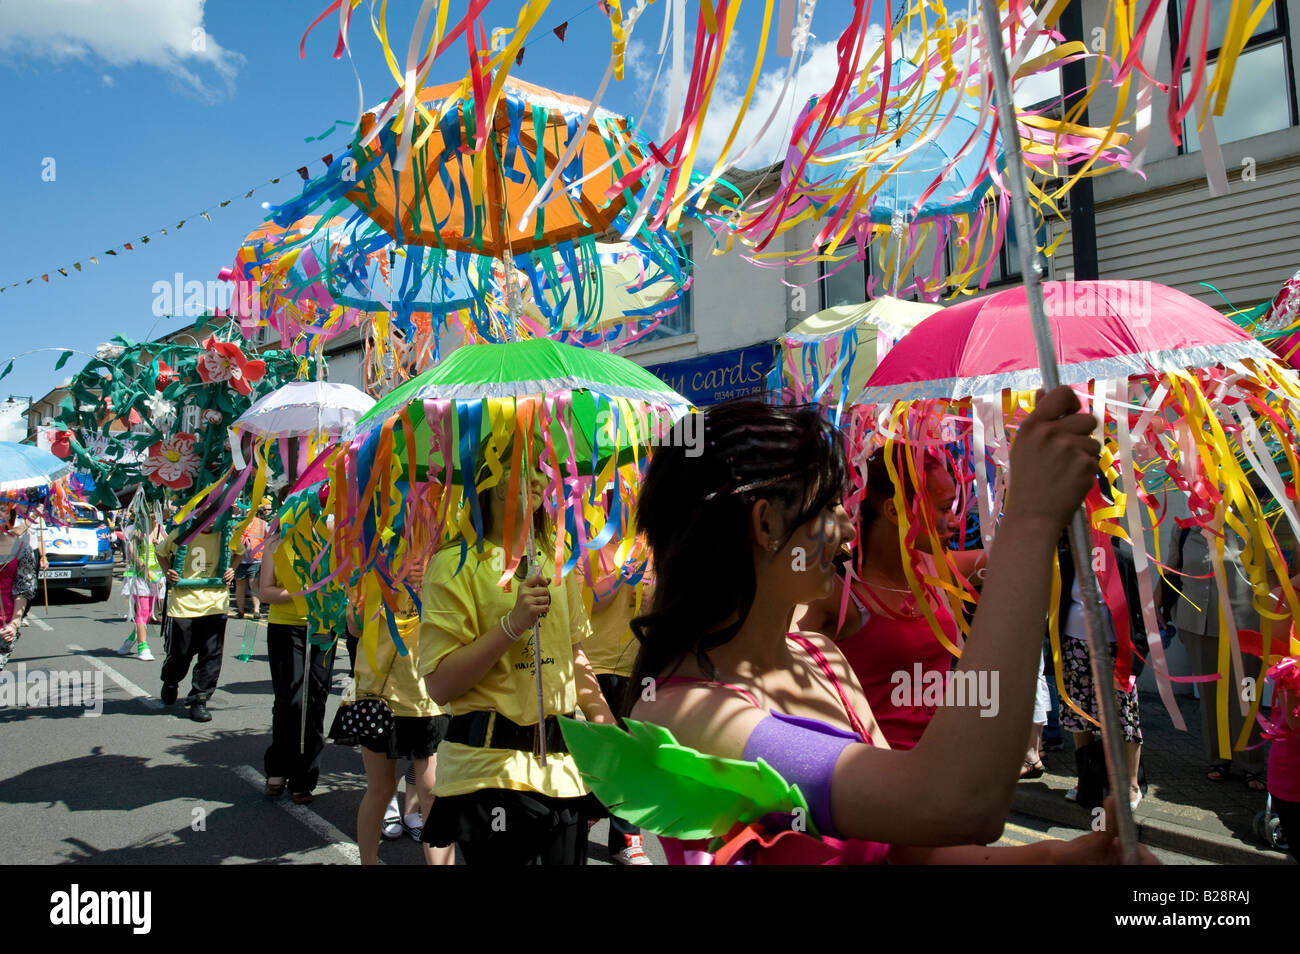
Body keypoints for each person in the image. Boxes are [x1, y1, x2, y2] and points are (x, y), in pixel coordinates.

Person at [626, 390, 1156, 864]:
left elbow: (913, 852)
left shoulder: (822, 660)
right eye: (831, 505)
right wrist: (1032, 520)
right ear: (766, 523)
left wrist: (1056, 862)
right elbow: (954, 805)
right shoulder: (687, 712)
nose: (846, 531)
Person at [419, 451, 617, 865]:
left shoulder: (555, 560)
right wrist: (513, 624)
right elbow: (440, 685)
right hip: (486, 770)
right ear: (485, 489)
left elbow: (575, 657)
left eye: (536, 473)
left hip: (562, 770)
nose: (532, 482)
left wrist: (609, 730)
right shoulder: (453, 566)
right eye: (514, 474)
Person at [796, 448, 985, 750]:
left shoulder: (934, 569)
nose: (954, 521)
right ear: (894, 510)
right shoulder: (837, 593)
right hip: (877, 774)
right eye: (944, 508)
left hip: (944, 762)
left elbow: (1011, 557)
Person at [347, 560, 453, 865]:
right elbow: (354, 626)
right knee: (380, 789)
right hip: (378, 694)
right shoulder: (367, 559)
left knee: (433, 791)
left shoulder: (445, 555)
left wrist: (431, 584)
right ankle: (368, 861)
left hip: (428, 694)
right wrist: (390, 583)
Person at [1057, 537, 1143, 809]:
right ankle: (1087, 782)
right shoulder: (1066, 558)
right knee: (1078, 717)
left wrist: (1134, 662)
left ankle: (1130, 787)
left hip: (1114, 652)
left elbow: (1138, 615)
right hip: (1075, 648)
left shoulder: (1123, 561)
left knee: (1122, 718)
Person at [582, 554, 654, 864]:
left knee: (633, 756)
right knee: (595, 754)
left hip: (637, 666)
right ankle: (588, 811)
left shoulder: (650, 546)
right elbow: (588, 604)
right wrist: (624, 574)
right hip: (591, 666)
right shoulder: (586, 538)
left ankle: (626, 837)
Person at [260, 518, 336, 805]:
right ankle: (278, 768)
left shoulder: (333, 537)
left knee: (316, 701)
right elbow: (265, 591)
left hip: (322, 629)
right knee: (290, 701)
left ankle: (304, 777)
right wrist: (301, 591)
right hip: (285, 629)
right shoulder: (276, 544)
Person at [158, 517, 235, 722]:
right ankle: (171, 680)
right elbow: (161, 553)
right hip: (184, 603)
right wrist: (168, 572)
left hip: (215, 602)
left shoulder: (226, 533)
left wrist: (231, 569)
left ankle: (199, 699)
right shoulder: (181, 533)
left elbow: (239, 553)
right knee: (180, 653)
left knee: (212, 654)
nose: (212, 520)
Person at [117, 517, 165, 661]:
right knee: (143, 611)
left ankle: (130, 640)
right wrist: (149, 574)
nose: (156, 516)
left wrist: (160, 547)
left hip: (157, 578)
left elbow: (168, 550)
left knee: (148, 614)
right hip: (140, 577)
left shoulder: (161, 530)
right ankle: (142, 646)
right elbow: (133, 555)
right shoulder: (135, 530)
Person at [0, 511, 38, 672]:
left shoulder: (21, 548)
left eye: (3, 509)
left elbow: (24, 588)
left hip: (4, 625)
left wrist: (14, 623)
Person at [233, 502, 269, 619]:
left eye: (251, 510)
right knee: (240, 585)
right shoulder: (238, 524)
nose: (249, 513)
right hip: (240, 560)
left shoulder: (263, 524)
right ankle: (240, 610)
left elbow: (269, 538)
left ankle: (256, 610)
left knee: (254, 585)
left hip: (256, 559)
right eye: (247, 511)